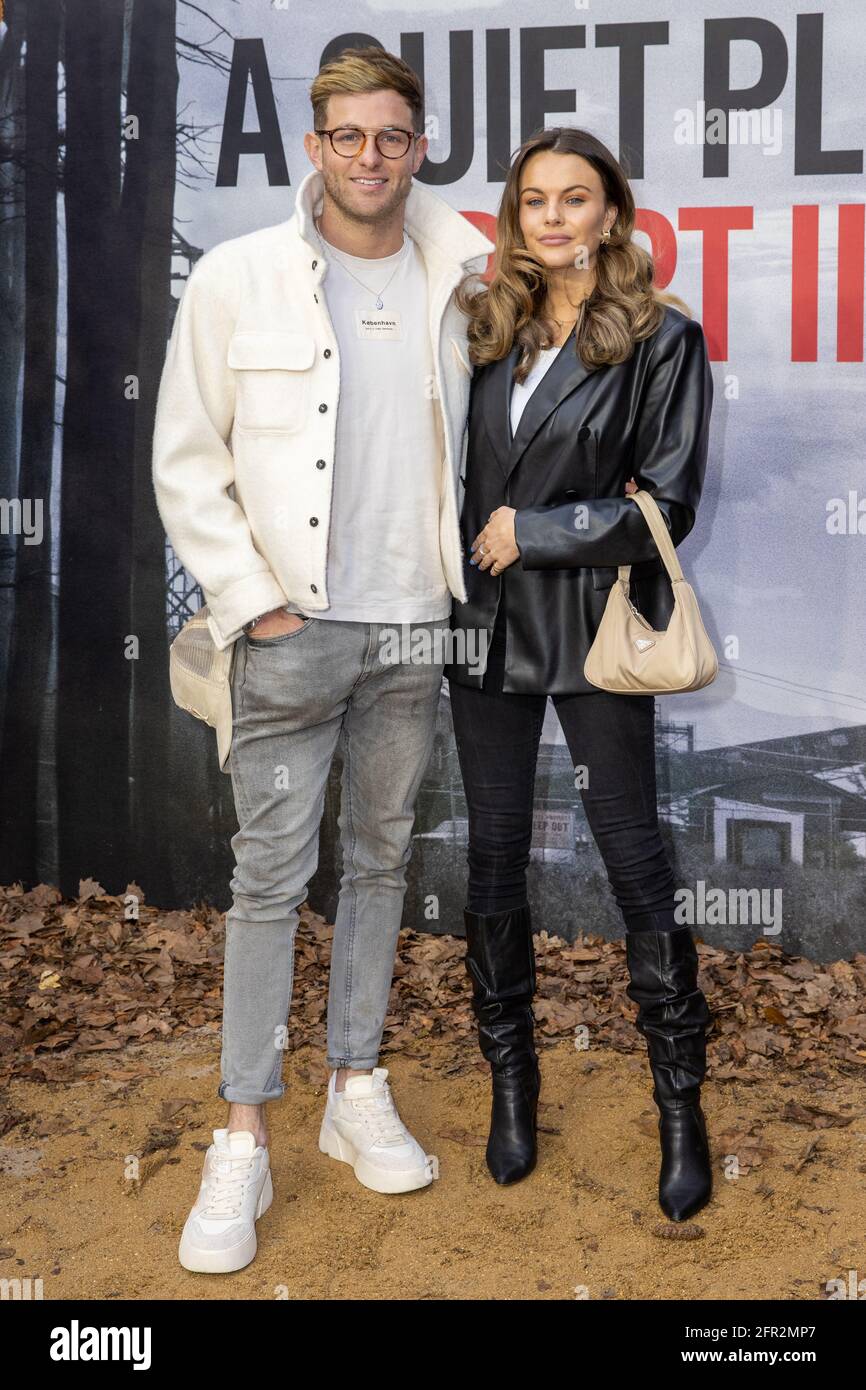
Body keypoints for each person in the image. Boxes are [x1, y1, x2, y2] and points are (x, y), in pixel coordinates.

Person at [152, 46, 494, 1272]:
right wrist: (256, 605)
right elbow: (188, 457)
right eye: (344, 135)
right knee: (264, 884)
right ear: (312, 144)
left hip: (412, 627)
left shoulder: (464, 273)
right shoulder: (242, 277)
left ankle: (355, 1085)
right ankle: (240, 1133)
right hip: (288, 633)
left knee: (380, 865)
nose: (367, 157)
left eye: (390, 136)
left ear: (417, 145)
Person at [444, 127, 715, 1222]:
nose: (552, 217)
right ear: (514, 215)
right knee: (493, 860)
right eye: (534, 200)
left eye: (576, 198)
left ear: (613, 213)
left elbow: (670, 500)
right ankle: (513, 1086)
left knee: (634, 864)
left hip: (596, 623)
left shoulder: (660, 338)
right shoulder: (481, 326)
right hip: (480, 629)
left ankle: (679, 1108)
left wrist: (538, 529)